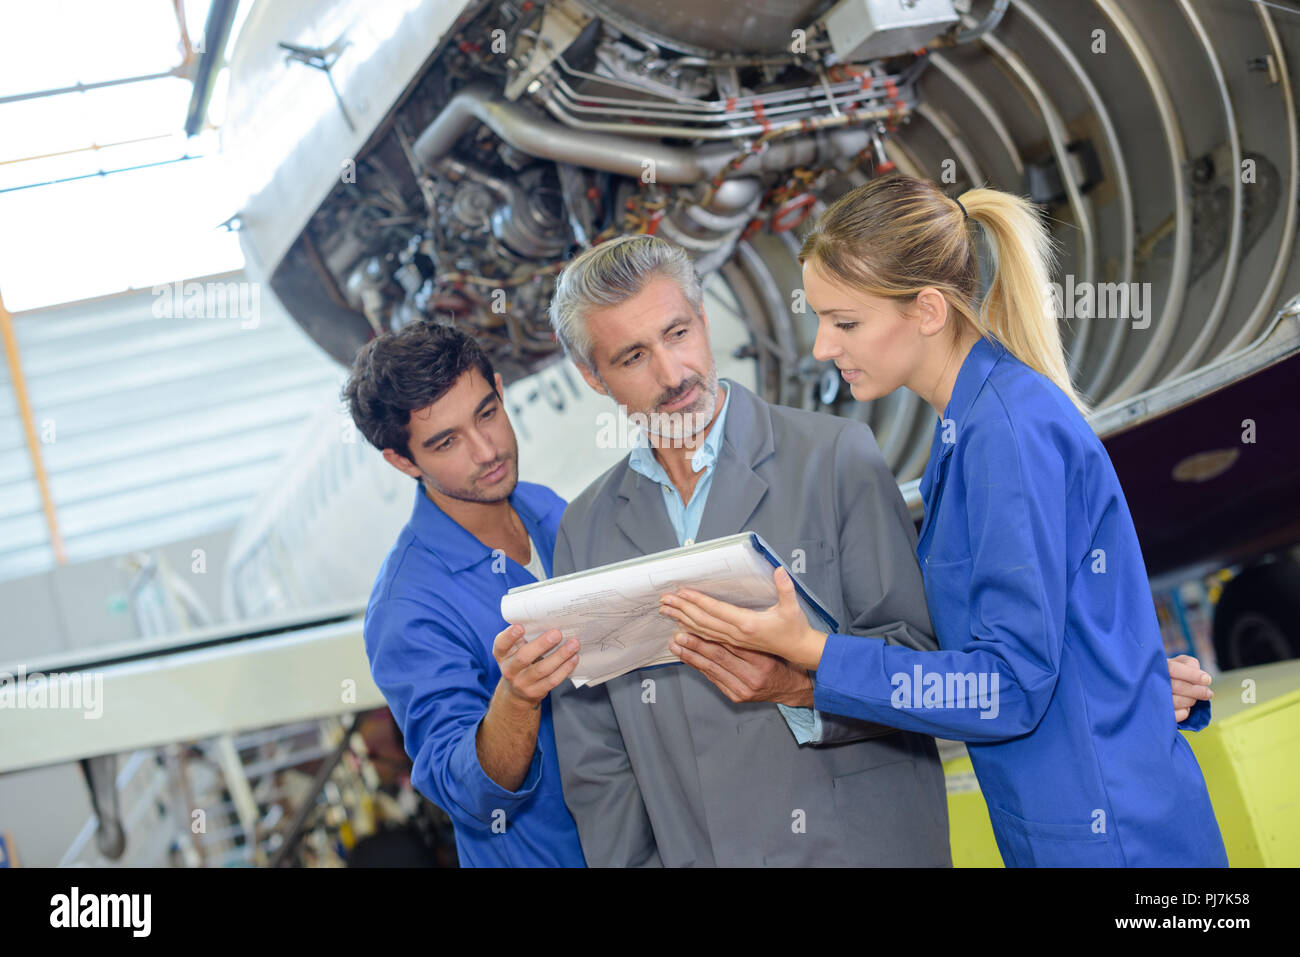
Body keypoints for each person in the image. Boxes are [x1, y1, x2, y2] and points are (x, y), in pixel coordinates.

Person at [658, 176, 1228, 866]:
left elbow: (1008, 686)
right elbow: (1045, 635)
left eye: (845, 321)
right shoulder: (967, 431)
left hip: (1114, 840)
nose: (821, 348)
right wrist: (1123, 677)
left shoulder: (1005, 435)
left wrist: (815, 650)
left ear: (927, 309)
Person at [345, 320, 585, 867]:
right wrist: (518, 699)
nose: (486, 451)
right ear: (403, 461)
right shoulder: (406, 609)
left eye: (486, 414)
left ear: (501, 390)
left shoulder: (544, 507)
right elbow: (468, 791)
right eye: (446, 442)